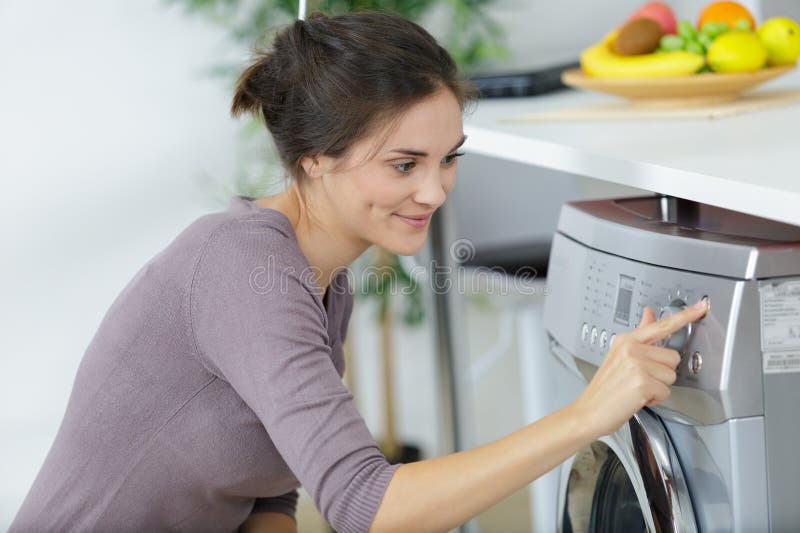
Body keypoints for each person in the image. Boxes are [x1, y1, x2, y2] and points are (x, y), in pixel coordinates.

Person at [8, 9, 708, 533]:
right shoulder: (243, 267)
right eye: (404, 165)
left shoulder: (323, 278)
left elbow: (269, 490)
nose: (434, 192)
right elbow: (364, 505)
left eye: (449, 158)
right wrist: (586, 415)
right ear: (314, 157)